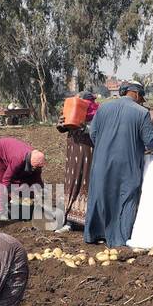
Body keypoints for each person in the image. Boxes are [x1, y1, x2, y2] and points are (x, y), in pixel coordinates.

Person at [84, 82, 153, 246]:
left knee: (100, 194)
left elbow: (93, 134)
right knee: (126, 196)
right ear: (136, 94)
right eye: (141, 97)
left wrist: (104, 147)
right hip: (126, 162)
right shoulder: (141, 112)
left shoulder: (103, 108)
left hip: (101, 160)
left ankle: (93, 234)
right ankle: (120, 238)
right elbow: (150, 140)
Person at [57, 91, 99, 230]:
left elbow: (99, 131)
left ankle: (88, 220)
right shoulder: (71, 110)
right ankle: (69, 220)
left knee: (86, 182)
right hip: (73, 153)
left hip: (89, 153)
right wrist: (62, 124)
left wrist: (84, 127)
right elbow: (62, 128)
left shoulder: (97, 114)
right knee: (72, 180)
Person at [0, 136, 46, 218]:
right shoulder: (17, 159)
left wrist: (40, 194)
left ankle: (16, 203)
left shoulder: (36, 160)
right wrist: (13, 195)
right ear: (29, 162)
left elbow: (37, 179)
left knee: (26, 180)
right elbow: (6, 180)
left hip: (11, 154)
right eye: (34, 168)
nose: (35, 169)